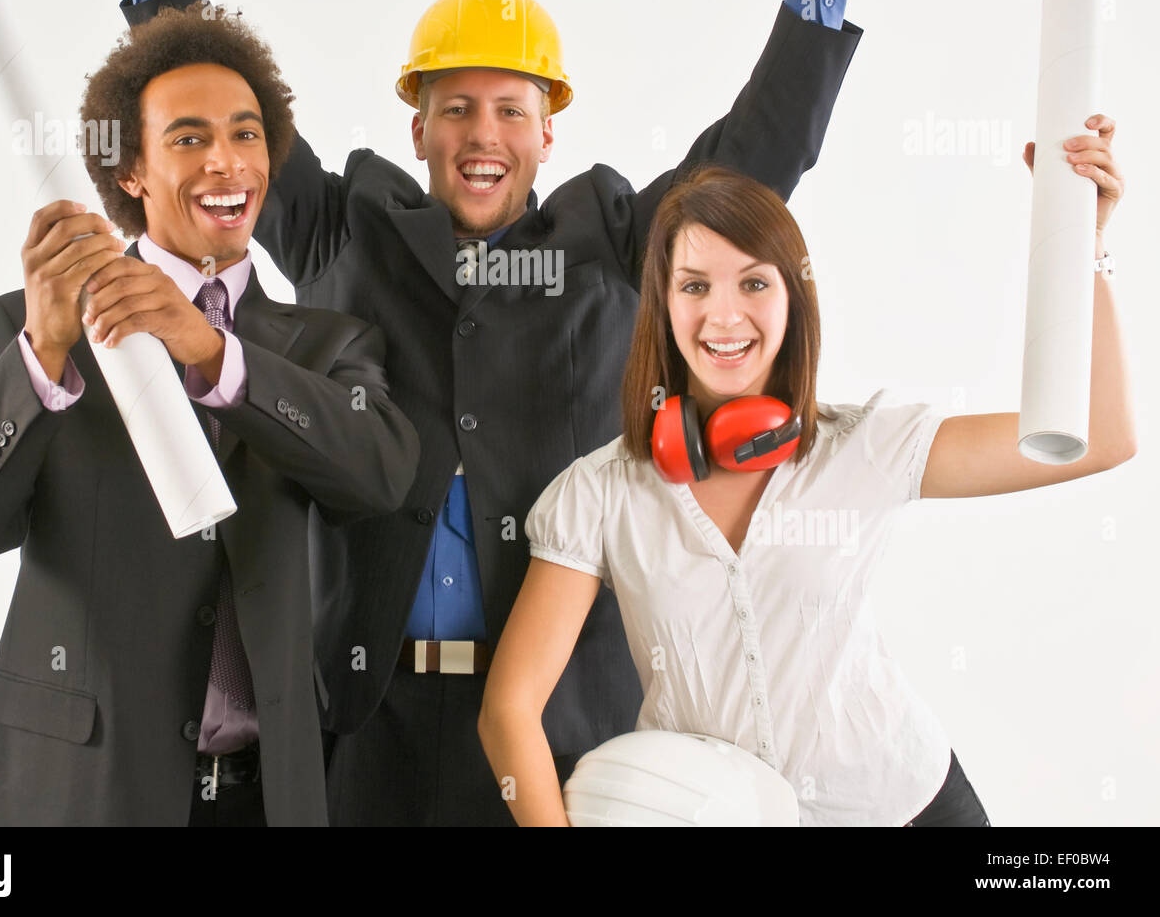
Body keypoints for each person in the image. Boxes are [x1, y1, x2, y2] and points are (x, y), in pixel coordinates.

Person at [81, 0, 864, 825]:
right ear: (418, 129)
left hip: (552, 723)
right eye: (455, 107)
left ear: (549, 132)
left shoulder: (616, 238)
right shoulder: (340, 220)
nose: (482, 134)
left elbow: (760, 148)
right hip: (364, 716)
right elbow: (215, 100)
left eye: (509, 108)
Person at [479, 125, 1134, 826]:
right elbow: (510, 710)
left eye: (754, 282)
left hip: (910, 807)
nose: (722, 314)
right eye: (695, 285)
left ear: (795, 299)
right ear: (662, 307)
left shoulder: (866, 447)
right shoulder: (599, 495)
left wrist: (1082, 245)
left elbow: (1099, 437)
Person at [0, 4, 419, 826]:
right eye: (188, 139)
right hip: (81, 792)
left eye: (246, 136)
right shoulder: (29, 327)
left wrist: (216, 356)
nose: (227, 162)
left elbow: (382, 474)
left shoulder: (324, 345)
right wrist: (42, 356)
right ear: (130, 172)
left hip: (266, 797)